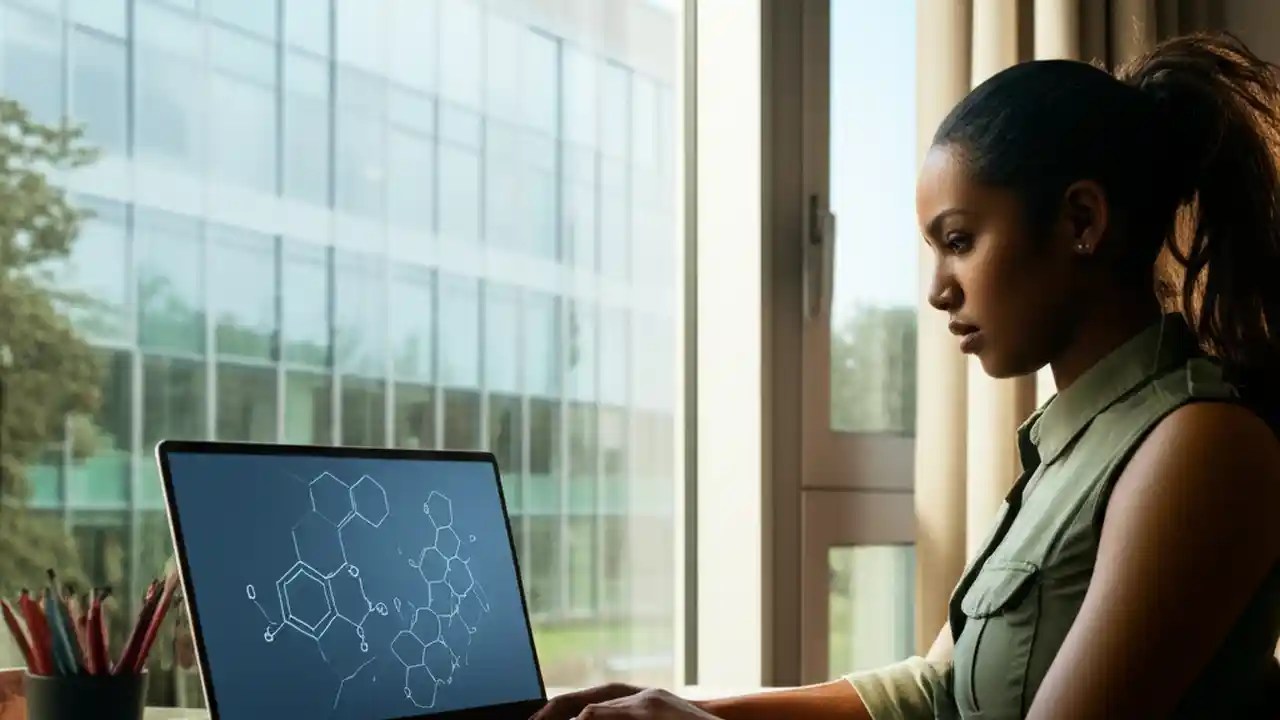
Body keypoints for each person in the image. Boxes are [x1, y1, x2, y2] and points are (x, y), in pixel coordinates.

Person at [531, 30, 1280, 720]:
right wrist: (689, 710)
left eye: (959, 240)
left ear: (1081, 221)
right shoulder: (1069, 451)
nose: (938, 290)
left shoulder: (1201, 448)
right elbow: (935, 689)